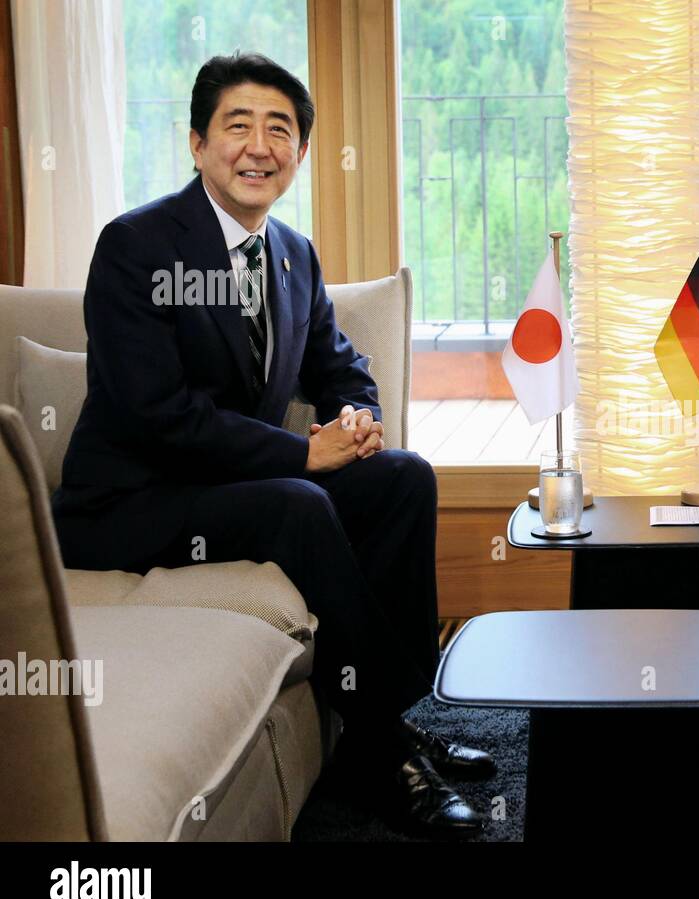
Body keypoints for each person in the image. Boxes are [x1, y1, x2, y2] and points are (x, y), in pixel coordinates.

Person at [52, 52, 492, 838]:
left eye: (279, 129)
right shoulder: (136, 246)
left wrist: (355, 415)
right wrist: (301, 456)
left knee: (403, 478)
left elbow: (338, 365)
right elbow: (156, 413)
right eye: (238, 125)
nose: (260, 146)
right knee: (298, 503)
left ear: (300, 153)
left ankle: (392, 715)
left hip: (226, 489)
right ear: (196, 143)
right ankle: (387, 749)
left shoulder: (291, 253)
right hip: (128, 502)